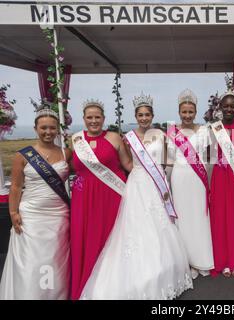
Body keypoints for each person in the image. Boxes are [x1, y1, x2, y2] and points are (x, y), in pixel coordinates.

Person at [80, 93, 192, 299]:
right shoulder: (128, 138)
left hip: (157, 183)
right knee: (136, 226)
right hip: (137, 184)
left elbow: (168, 162)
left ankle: (163, 268)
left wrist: (162, 180)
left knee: (160, 225)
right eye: (140, 115)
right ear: (136, 116)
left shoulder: (161, 135)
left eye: (147, 114)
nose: (143, 118)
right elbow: (127, 163)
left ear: (152, 115)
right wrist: (138, 174)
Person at [0, 104, 71, 299]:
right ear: (35, 129)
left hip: (58, 216)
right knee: (33, 262)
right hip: (31, 216)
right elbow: (15, 187)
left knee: (54, 261)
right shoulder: (22, 155)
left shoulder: (67, 154)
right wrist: (13, 213)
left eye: (52, 128)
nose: (48, 132)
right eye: (43, 128)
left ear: (57, 129)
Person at [70, 99, 132, 300]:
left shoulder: (114, 137)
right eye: (90, 117)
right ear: (84, 119)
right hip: (84, 198)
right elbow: (69, 167)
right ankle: (88, 283)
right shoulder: (75, 140)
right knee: (86, 236)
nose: (94, 121)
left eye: (98, 117)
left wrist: (151, 174)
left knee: (111, 237)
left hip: (112, 195)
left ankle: (112, 285)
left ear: (104, 119)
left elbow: (128, 164)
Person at [167, 89, 214, 279]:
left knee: (199, 217)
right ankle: (186, 261)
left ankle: (201, 259)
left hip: (198, 179)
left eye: (191, 112)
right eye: (184, 112)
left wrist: (210, 183)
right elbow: (168, 160)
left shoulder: (205, 130)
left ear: (196, 112)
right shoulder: (171, 132)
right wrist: (166, 185)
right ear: (179, 112)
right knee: (183, 219)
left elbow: (210, 159)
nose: (187, 115)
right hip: (179, 177)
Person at [208, 86, 234, 278]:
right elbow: (208, 154)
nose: (229, 109)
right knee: (220, 216)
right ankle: (223, 261)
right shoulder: (213, 127)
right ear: (220, 107)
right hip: (219, 175)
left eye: (232, 106)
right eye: (225, 106)